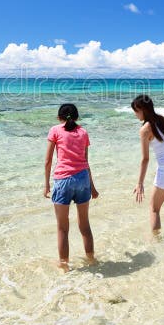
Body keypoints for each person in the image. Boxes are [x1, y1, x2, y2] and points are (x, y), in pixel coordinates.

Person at [44, 103, 98, 269]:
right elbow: (85, 162)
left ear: (59, 117)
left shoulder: (55, 130)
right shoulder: (83, 132)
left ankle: (65, 266)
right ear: (76, 117)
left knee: (62, 228)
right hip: (82, 179)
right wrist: (92, 187)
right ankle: (91, 260)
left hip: (63, 180)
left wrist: (46, 185)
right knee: (84, 224)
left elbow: (48, 161)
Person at [131, 94, 164, 232]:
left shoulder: (145, 129)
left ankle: (157, 244)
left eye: (136, 111)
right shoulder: (162, 119)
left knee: (154, 209)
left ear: (142, 109)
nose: (135, 115)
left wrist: (140, 183)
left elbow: (145, 159)